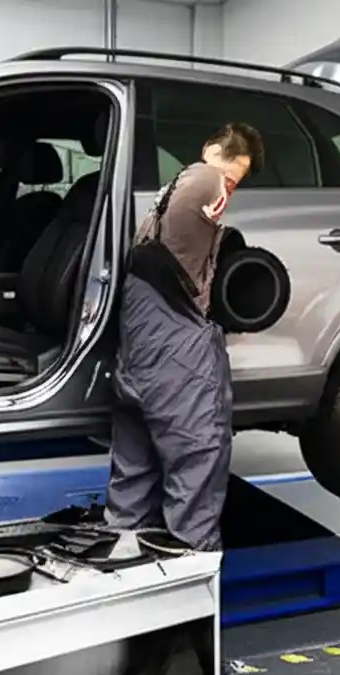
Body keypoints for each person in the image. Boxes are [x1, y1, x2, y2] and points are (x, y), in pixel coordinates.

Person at [105, 122, 265, 552]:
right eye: (236, 176)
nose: (232, 188)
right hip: (177, 350)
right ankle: (189, 577)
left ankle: (124, 551)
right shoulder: (209, 181)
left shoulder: (166, 192)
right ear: (218, 155)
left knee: (134, 469)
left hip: (136, 344)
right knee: (198, 458)